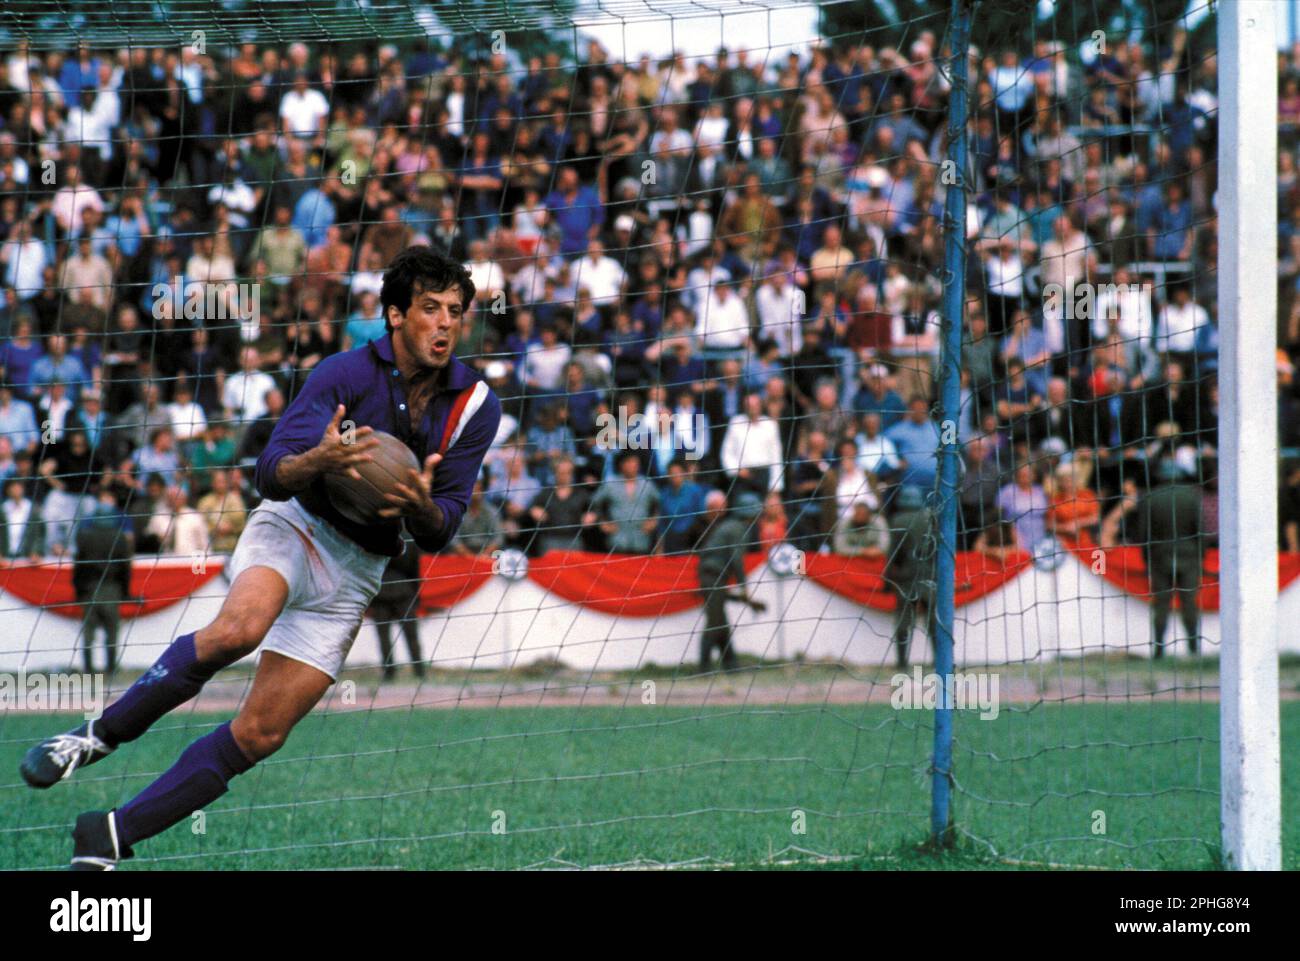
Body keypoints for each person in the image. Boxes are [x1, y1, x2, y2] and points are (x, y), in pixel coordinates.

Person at [21, 245, 502, 870]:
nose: (445, 324)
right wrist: (321, 462)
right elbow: (271, 475)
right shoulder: (344, 374)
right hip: (295, 526)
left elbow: (443, 529)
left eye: (455, 313)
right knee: (238, 631)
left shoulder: (475, 406)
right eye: (430, 309)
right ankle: (92, 737)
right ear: (393, 315)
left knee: (261, 733)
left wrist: (417, 505)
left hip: (359, 571)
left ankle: (109, 835)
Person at [1132, 459, 1204, 657]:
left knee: (1161, 604)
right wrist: (1200, 557)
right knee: (1189, 602)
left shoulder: (1150, 497)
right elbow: (1200, 530)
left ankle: (1159, 649)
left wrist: (1147, 560)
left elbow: (1144, 533)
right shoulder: (1192, 496)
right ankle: (1193, 647)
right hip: (1188, 554)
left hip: (1160, 555)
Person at [694, 490, 763, 672]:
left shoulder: (730, 525)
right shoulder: (739, 529)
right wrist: (744, 588)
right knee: (715, 623)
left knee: (721, 624)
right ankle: (704, 668)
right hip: (713, 575)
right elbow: (736, 559)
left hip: (711, 574)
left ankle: (730, 664)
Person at [72, 492, 134, 675]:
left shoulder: (85, 536)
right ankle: (111, 668)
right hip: (112, 587)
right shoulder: (120, 537)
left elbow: (78, 567)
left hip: (90, 588)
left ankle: (88, 668)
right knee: (112, 632)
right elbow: (125, 568)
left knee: (88, 633)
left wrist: (79, 590)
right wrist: (125, 591)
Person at [885, 485, 935, 668]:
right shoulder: (929, 518)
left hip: (906, 576)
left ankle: (901, 661)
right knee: (934, 621)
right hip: (930, 574)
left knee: (904, 622)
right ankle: (939, 659)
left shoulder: (898, 521)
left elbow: (893, 553)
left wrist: (888, 575)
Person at [369, 530, 425, 681]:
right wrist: (416, 594)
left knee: (384, 636)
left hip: (381, 591)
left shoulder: (375, 536)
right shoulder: (409, 539)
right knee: (411, 635)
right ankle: (419, 670)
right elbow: (415, 570)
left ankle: (389, 672)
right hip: (404, 591)